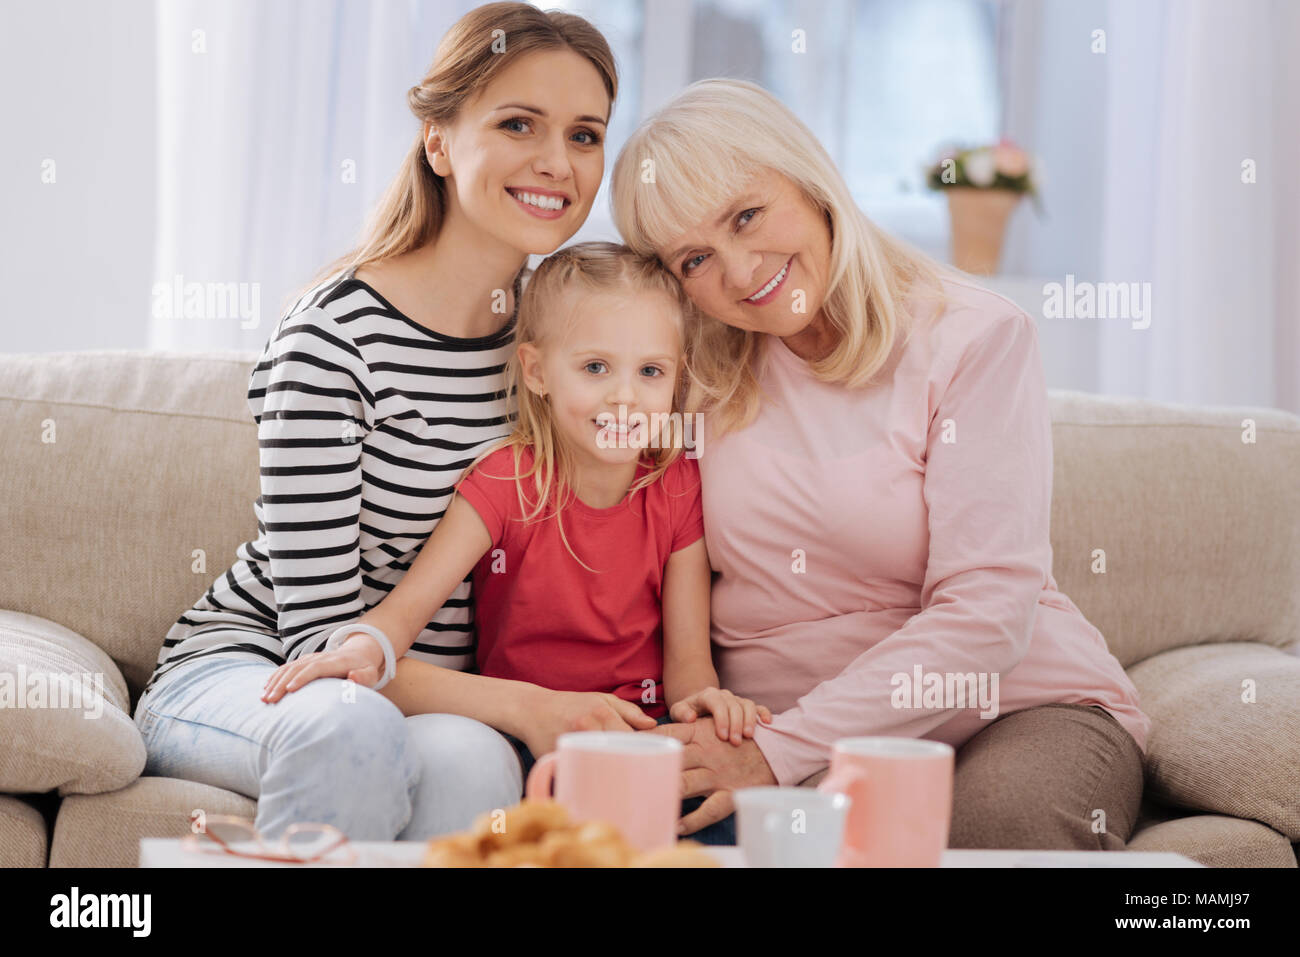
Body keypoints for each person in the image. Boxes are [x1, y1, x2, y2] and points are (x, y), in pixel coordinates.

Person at [610, 78, 1151, 850]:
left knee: (994, 830)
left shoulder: (972, 338)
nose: (737, 270)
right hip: (761, 736)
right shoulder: (688, 370)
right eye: (695, 257)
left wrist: (779, 751)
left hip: (1013, 707)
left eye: (747, 215)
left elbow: (988, 612)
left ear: (809, 179)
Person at [133, 2, 620, 841]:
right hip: (261, 670)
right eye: (518, 123)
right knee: (351, 722)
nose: (557, 161)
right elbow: (321, 636)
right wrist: (526, 703)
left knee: (478, 762)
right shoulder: (333, 336)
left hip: (420, 691)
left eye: (585, 134)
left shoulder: (561, 348)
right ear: (439, 141)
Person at [263, 242, 772, 847]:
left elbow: (688, 665)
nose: (625, 398)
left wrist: (708, 706)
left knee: (731, 824)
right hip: (527, 740)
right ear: (536, 371)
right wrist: (366, 647)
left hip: (642, 738)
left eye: (651, 372)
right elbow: (399, 618)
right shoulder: (505, 483)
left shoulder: (678, 486)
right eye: (595, 368)